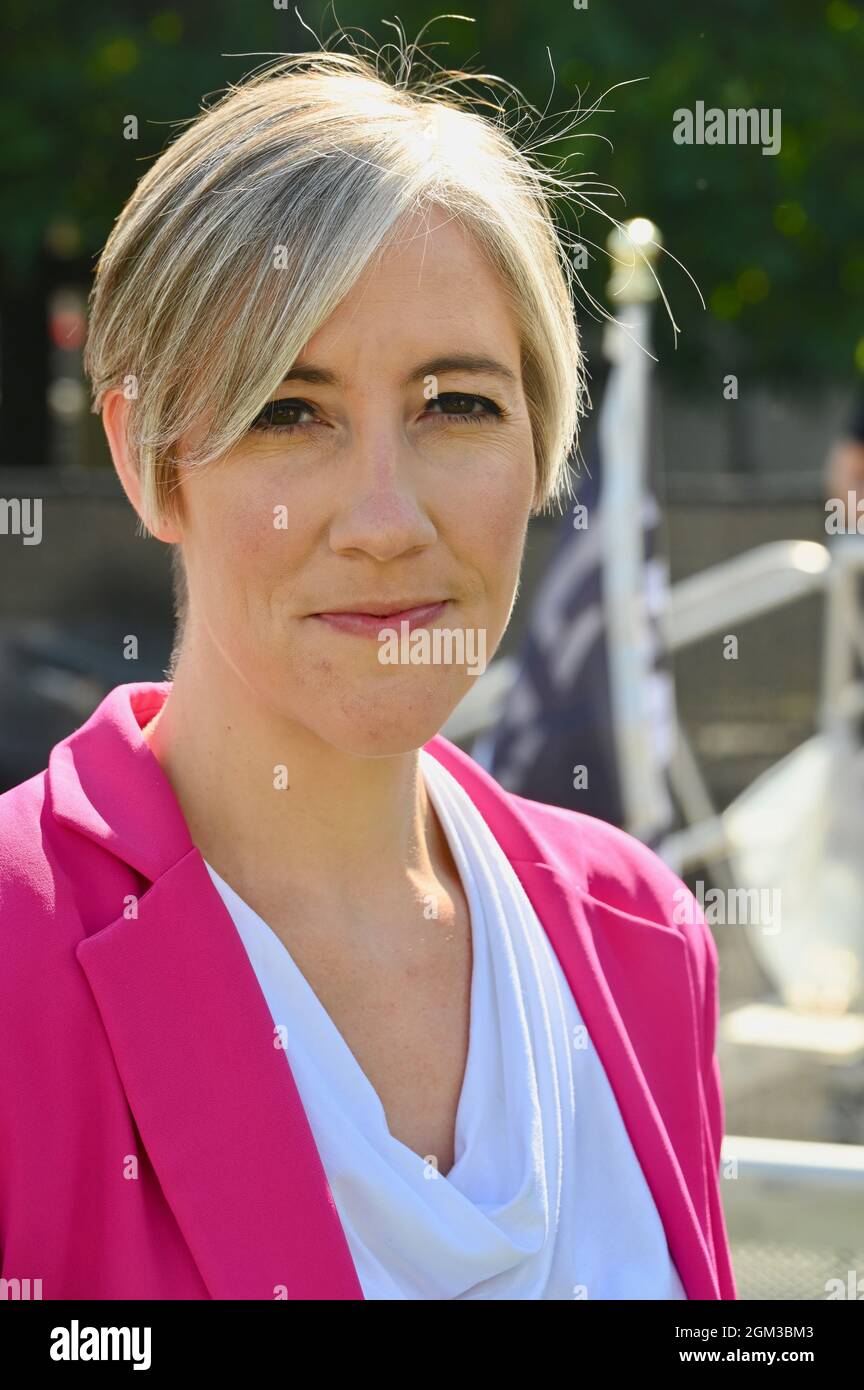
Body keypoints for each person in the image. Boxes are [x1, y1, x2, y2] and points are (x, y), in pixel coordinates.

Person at [0, 43, 735, 1301]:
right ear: (145, 459)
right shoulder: (21, 957)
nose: (386, 518)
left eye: (457, 403)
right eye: (291, 410)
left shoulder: (645, 935)